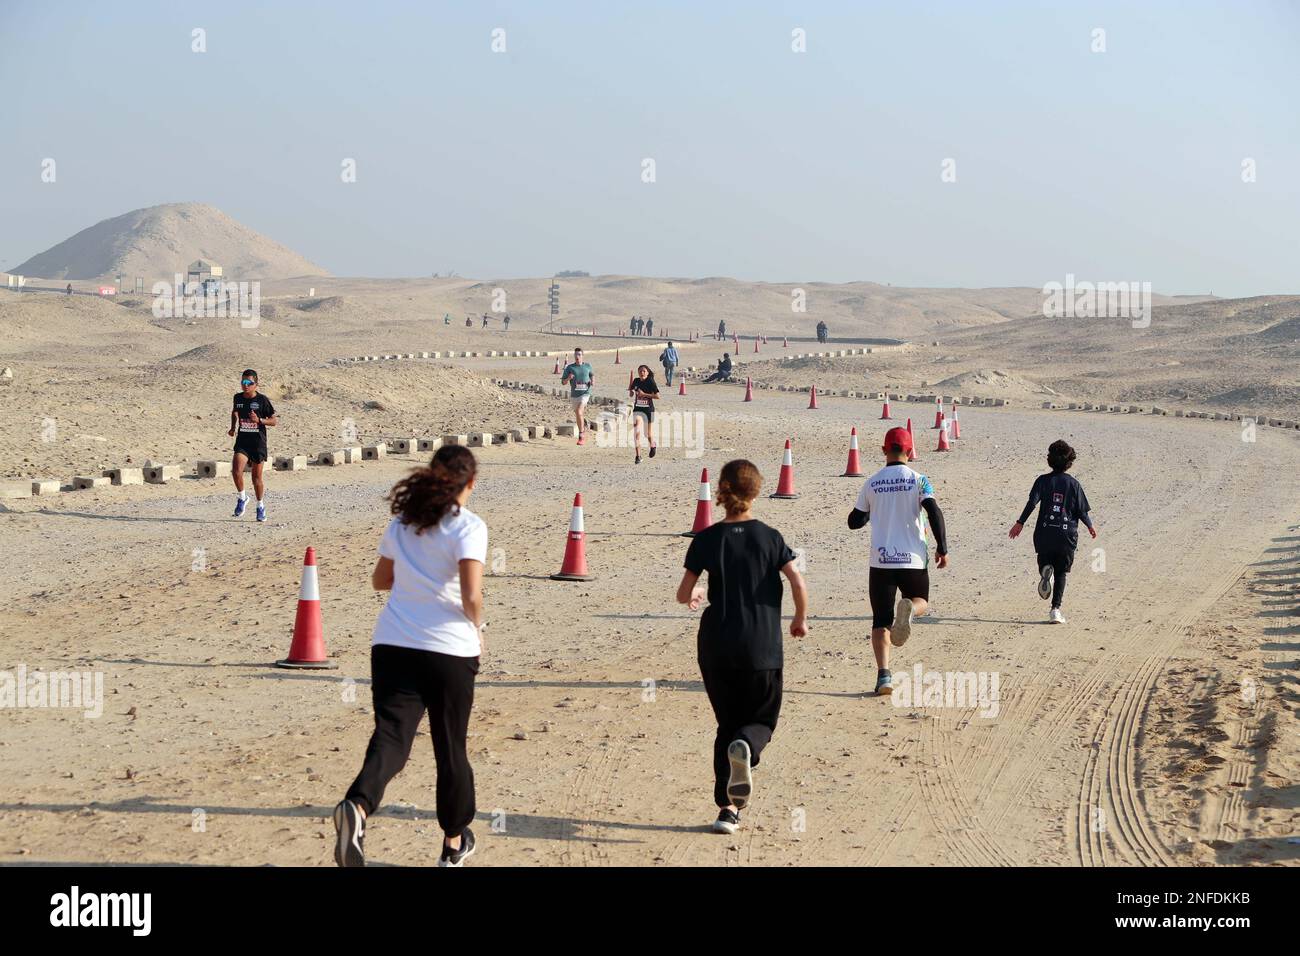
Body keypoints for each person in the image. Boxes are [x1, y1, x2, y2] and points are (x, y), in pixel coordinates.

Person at [335, 445, 486, 868]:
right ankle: (454, 844)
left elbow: (380, 581)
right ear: (470, 483)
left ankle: (358, 807)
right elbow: (472, 594)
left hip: (393, 643)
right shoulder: (468, 527)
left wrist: (414, 577)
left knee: (391, 738)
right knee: (450, 748)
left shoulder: (403, 522)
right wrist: (478, 627)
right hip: (449, 650)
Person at [676, 459, 808, 835]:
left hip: (716, 645)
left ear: (721, 491)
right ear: (756, 491)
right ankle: (747, 746)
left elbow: (683, 593)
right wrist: (800, 618)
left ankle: (727, 810)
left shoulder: (706, 539)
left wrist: (699, 592)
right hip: (761, 645)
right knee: (761, 721)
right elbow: (797, 581)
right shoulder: (770, 537)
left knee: (726, 724)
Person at [846, 426, 949, 695]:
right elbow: (934, 512)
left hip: (881, 561)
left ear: (883, 450)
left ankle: (884, 676)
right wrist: (943, 547)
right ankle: (911, 610)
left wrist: (872, 512)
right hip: (913, 558)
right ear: (910, 450)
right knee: (921, 600)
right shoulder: (920, 480)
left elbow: (853, 522)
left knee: (881, 619)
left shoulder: (872, 482)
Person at [1008, 439, 1096, 624]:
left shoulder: (1042, 481)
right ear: (1069, 462)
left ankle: (1045, 571)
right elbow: (1081, 511)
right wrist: (1090, 525)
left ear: (1050, 460)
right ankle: (1055, 610)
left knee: (1045, 561)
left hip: (1044, 533)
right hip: (1066, 535)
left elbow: (1032, 503)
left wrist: (1020, 522)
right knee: (1062, 572)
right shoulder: (1074, 484)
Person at [228, 369, 277, 523]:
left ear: (256, 384)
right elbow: (234, 412)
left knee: (256, 478)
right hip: (243, 441)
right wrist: (232, 427)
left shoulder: (263, 400)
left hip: (258, 443)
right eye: (243, 382)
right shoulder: (237, 397)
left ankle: (260, 506)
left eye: (249, 383)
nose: (246, 385)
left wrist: (259, 421)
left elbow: (274, 421)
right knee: (236, 470)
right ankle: (242, 498)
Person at [560, 347, 594, 445]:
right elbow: (563, 382)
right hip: (574, 395)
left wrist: (592, 381)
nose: (577, 357)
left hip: (585, 393)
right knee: (578, 414)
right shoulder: (569, 368)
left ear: (582, 356)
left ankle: (581, 435)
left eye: (579, 355)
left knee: (579, 411)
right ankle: (584, 425)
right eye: (575, 355)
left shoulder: (587, 366)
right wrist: (568, 378)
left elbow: (592, 374)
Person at [627, 365, 660, 464]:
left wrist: (644, 394)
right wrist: (631, 392)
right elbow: (631, 392)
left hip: (648, 410)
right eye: (640, 371)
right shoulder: (636, 381)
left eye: (644, 371)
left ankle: (653, 445)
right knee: (636, 432)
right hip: (638, 409)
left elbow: (658, 396)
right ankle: (638, 456)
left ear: (647, 372)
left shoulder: (650, 381)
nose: (642, 373)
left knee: (647, 434)